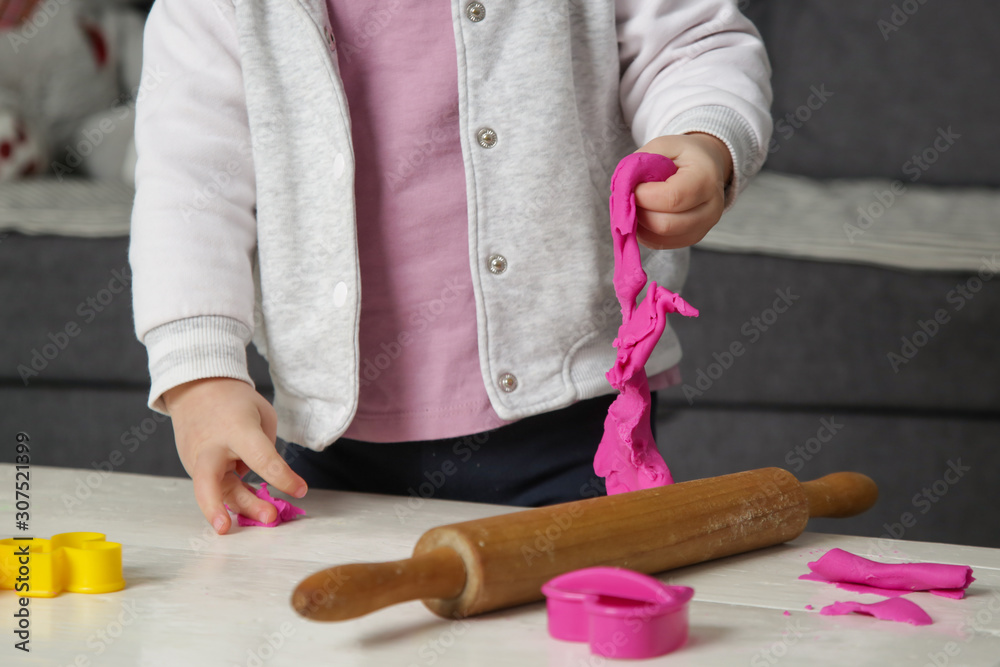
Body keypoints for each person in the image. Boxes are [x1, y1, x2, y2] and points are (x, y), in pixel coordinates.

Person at [129, 0, 772, 534]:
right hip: (328, 444)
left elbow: (689, 42)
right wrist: (200, 372)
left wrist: (704, 138)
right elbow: (190, 180)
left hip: (574, 416)